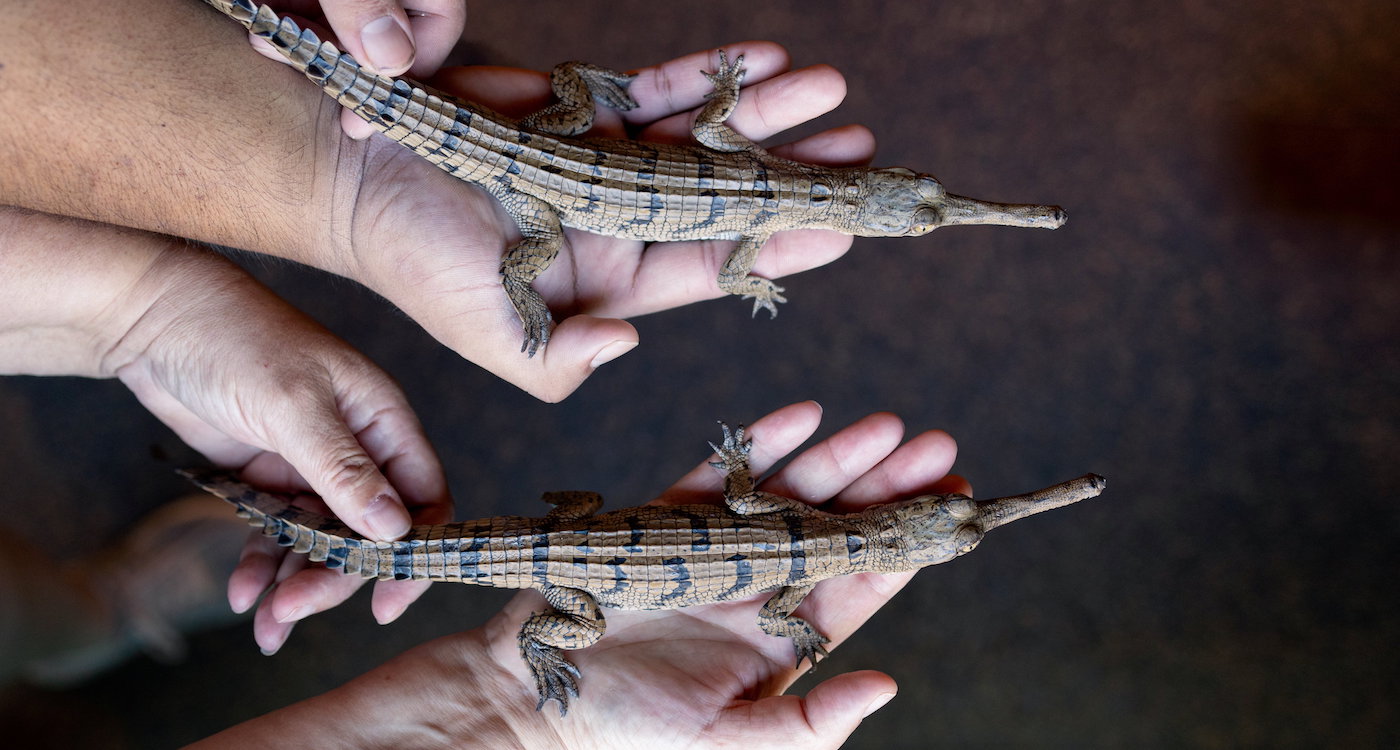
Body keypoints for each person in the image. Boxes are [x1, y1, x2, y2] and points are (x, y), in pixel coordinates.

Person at [0, 0, 961, 744]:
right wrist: (141, 317)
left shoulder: (800, 530)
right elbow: (758, 548)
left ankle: (95, 608)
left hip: (573, 470)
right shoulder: (798, 543)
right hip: (562, 527)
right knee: (534, 545)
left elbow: (749, 508)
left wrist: (147, 317)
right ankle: (102, 607)